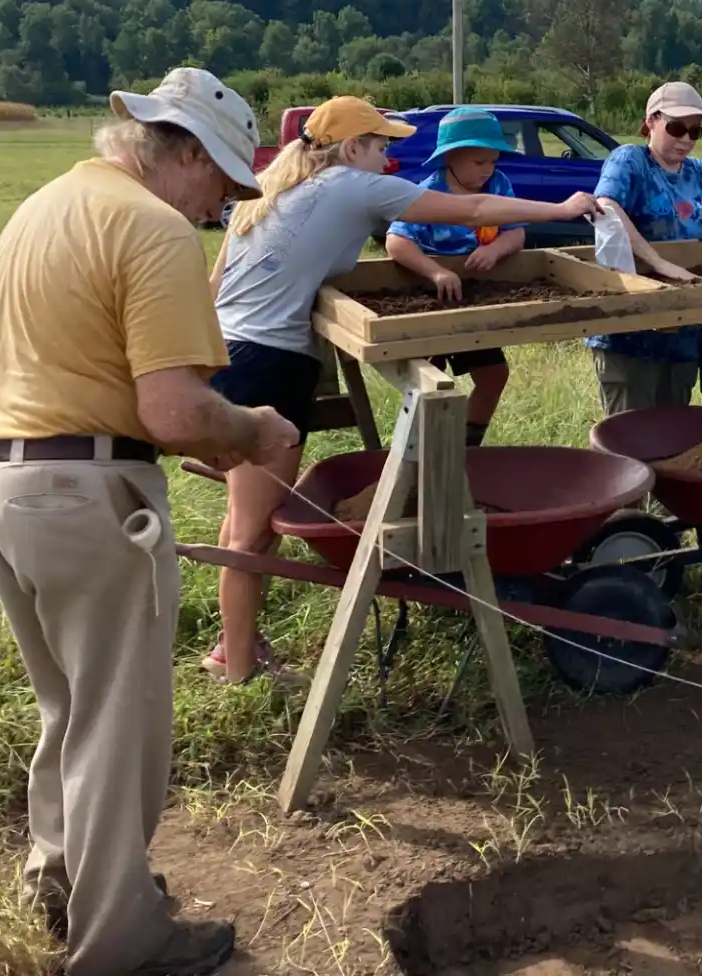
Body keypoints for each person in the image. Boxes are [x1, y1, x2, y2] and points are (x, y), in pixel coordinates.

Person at [0, 67, 300, 976]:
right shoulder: (151, 227)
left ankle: (61, 876)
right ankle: (123, 940)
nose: (219, 207)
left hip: (0, 483)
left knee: (68, 706)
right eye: (220, 183)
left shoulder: (50, 203)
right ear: (183, 151)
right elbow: (178, 414)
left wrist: (193, 428)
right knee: (120, 721)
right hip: (83, 497)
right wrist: (255, 430)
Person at [204, 96, 600, 684]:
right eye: (382, 144)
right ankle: (236, 668)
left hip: (233, 355)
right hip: (267, 364)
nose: (388, 154)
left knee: (245, 516)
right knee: (254, 529)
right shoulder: (349, 186)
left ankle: (232, 643)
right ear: (353, 147)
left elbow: (216, 283)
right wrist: (566, 207)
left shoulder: (278, 188)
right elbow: (475, 207)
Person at [587, 80, 702, 414]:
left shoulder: (701, 173)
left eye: (695, 131)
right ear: (651, 122)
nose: (686, 139)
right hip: (631, 333)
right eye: (676, 128)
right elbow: (607, 207)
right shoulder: (629, 160)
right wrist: (659, 263)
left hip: (683, 334)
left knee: (673, 437)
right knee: (629, 442)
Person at [383, 107, 525, 448]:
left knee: (493, 375)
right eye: (479, 162)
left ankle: (466, 445)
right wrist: (435, 271)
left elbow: (516, 233)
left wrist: (495, 251)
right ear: (451, 158)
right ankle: (418, 451)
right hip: (432, 300)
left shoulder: (498, 184)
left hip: (477, 299)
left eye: (492, 161)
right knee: (430, 384)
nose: (487, 170)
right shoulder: (430, 191)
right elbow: (396, 242)